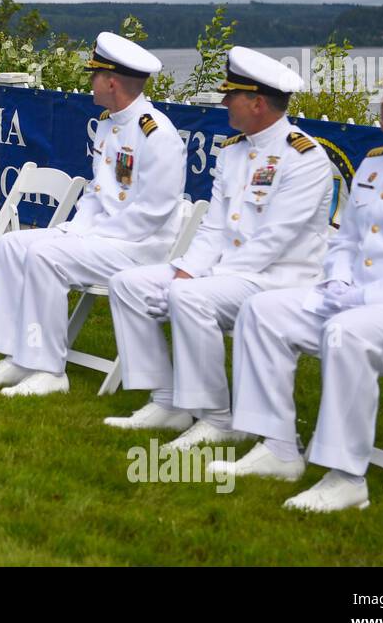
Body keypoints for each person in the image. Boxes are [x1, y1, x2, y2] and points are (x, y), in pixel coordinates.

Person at [209, 42, 383, 512]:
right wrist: (339, 283)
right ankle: (277, 448)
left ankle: (346, 479)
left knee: (347, 332)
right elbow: (345, 240)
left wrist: (363, 298)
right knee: (263, 311)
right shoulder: (377, 163)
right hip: (362, 304)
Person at [104, 47, 332, 446]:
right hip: (228, 273)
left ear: (258, 103)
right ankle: (169, 401)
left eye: (233, 95)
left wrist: (195, 282)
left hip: (280, 280)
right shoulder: (234, 151)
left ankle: (217, 418)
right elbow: (213, 228)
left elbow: (274, 241)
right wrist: (187, 270)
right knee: (128, 284)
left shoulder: (305, 158)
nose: (224, 101)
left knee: (190, 298)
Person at [0, 31, 186, 396]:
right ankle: (17, 354)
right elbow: (98, 194)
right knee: (12, 245)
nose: (90, 80)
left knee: (46, 256)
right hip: (101, 237)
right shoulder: (110, 124)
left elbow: (153, 212)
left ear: (111, 81)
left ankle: (48, 369)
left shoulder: (157, 133)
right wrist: (77, 229)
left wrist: (91, 236)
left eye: (95, 74)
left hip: (139, 246)